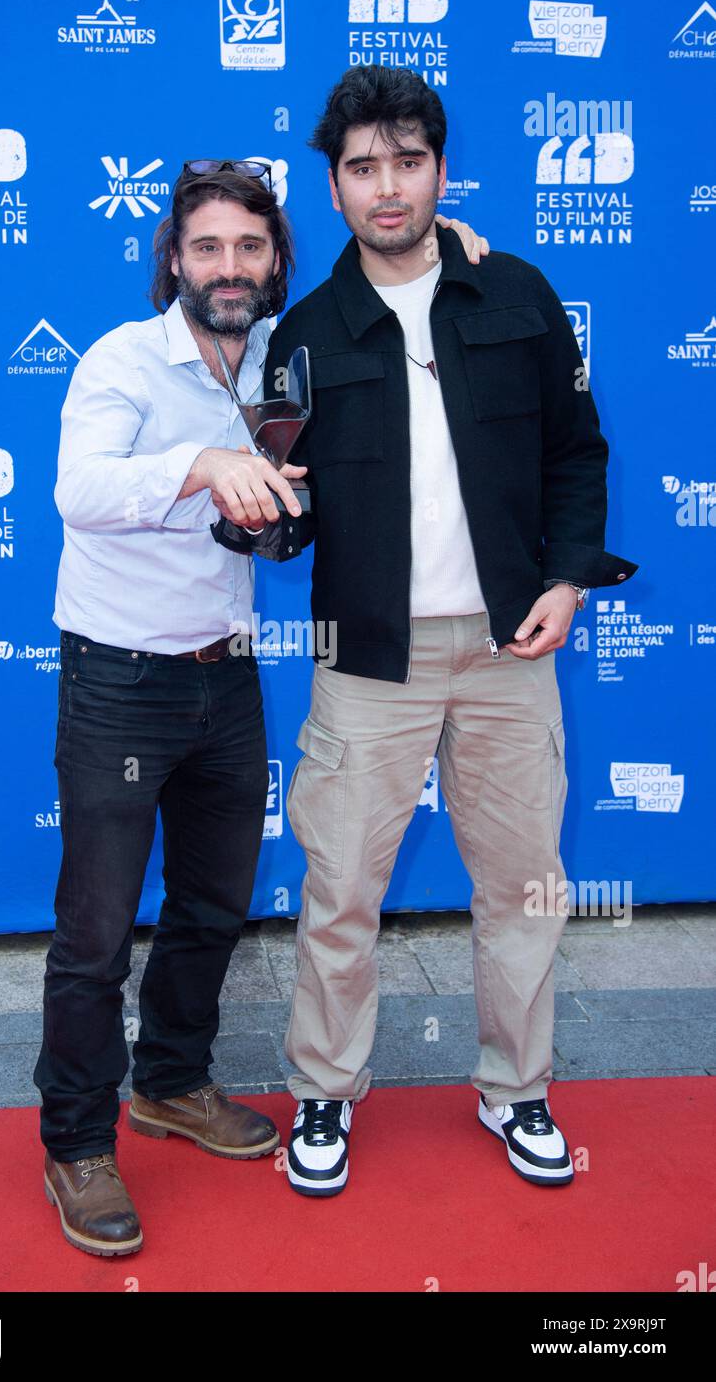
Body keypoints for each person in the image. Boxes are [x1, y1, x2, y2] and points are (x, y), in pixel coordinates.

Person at [33, 155, 487, 1253]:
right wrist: (196, 463)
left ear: (274, 259)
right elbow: (79, 490)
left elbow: (381, 276)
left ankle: (171, 1085)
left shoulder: (290, 356)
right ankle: (75, 1144)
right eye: (206, 247)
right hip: (119, 681)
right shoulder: (120, 363)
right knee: (95, 934)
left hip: (225, 677)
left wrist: (452, 247)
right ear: (173, 261)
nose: (227, 267)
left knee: (210, 908)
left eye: (248, 247)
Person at [263, 67, 639, 1198]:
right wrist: (254, 516)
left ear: (440, 170)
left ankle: (513, 1087)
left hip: (506, 646)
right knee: (339, 889)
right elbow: (288, 508)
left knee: (523, 882)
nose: (387, 188)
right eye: (362, 167)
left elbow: (576, 453)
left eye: (407, 162)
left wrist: (568, 581)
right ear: (331, 187)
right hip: (367, 655)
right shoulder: (307, 331)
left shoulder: (513, 292)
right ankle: (324, 1090)